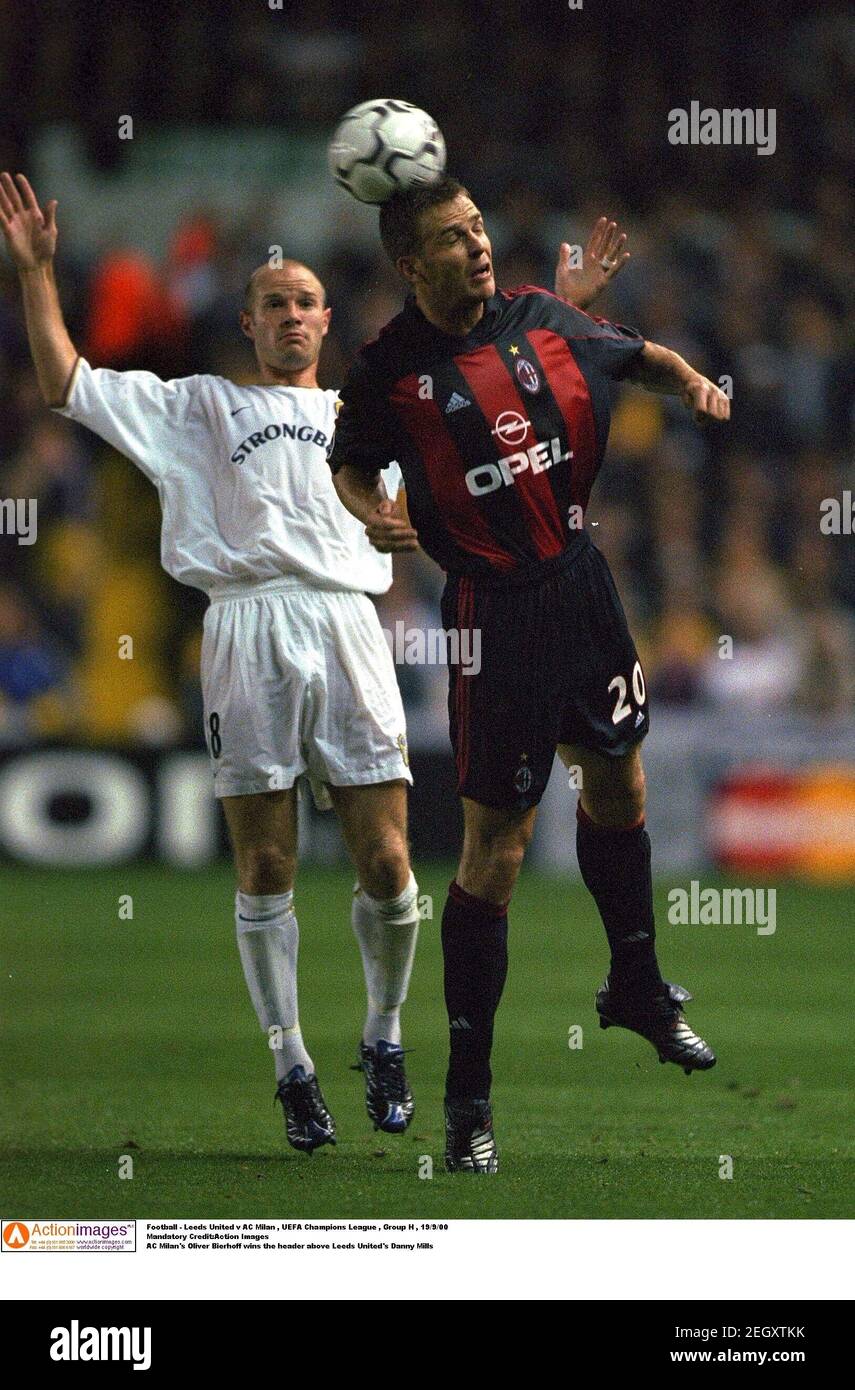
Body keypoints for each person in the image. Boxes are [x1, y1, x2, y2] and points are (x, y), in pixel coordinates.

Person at [0, 170, 422, 1154]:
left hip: (351, 625)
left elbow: (427, 502)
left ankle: (385, 1035)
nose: (291, 316)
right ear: (247, 320)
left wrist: (412, 528)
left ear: (327, 321)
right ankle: (292, 1065)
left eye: (306, 302)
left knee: (392, 863)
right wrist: (35, 276)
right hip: (243, 624)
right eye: (273, 302)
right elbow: (64, 379)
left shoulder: (371, 415)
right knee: (266, 861)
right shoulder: (197, 406)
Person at [329, 177, 729, 1173]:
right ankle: (469, 1099)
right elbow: (350, 461)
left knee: (620, 775)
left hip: (582, 589)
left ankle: (635, 983)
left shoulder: (543, 317)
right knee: (496, 853)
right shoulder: (387, 370)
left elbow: (638, 357)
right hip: (493, 618)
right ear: (409, 264)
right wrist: (371, 511)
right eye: (452, 239)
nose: (476, 246)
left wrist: (691, 384)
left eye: (477, 229)